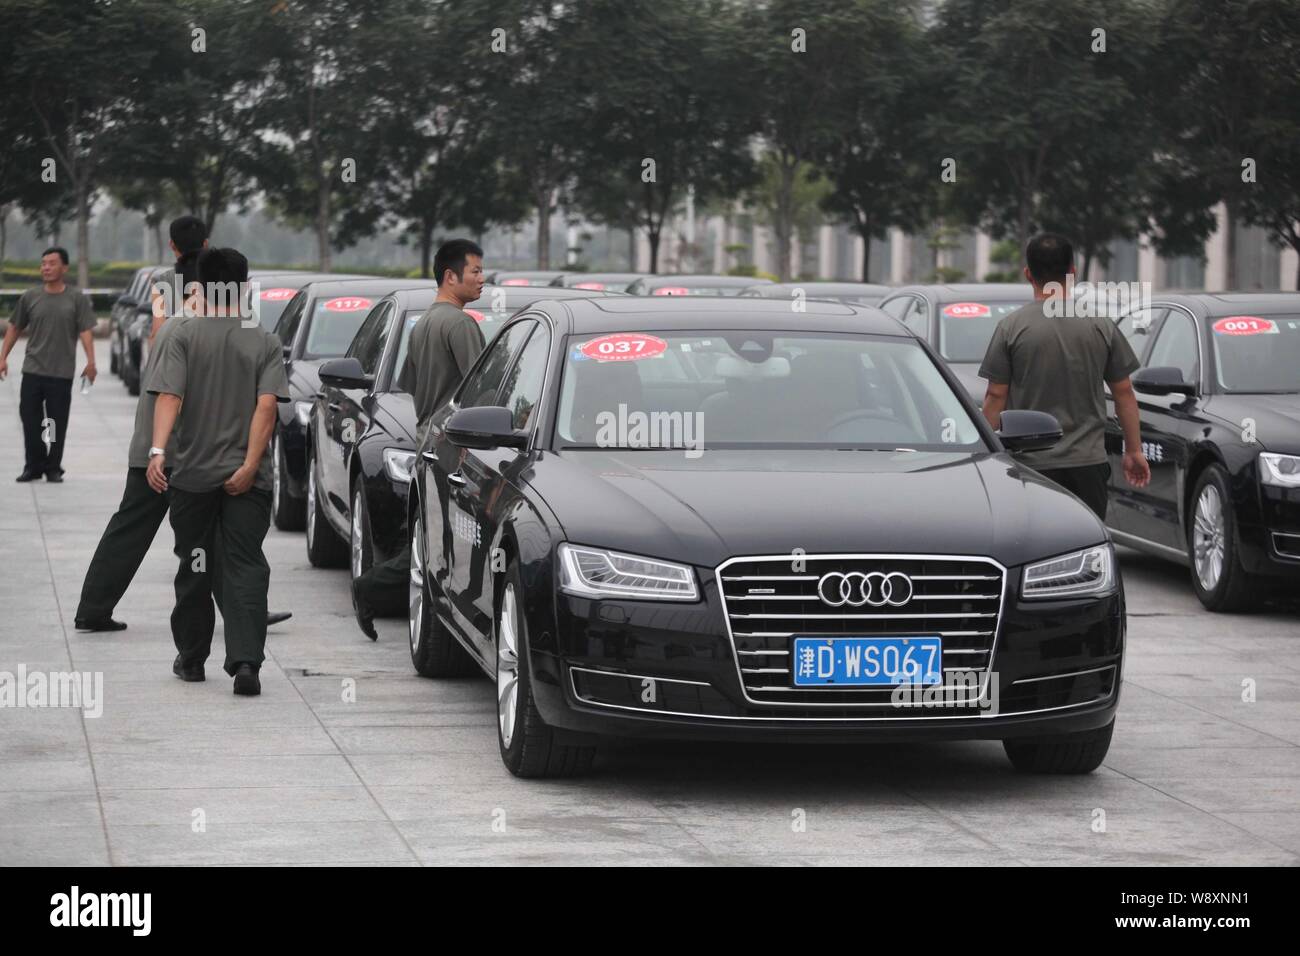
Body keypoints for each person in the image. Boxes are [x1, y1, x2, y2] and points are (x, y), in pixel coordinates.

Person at [74, 217, 292, 633]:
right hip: (196, 442)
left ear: (173, 248)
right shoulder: (217, 310)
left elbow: (156, 346)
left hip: (157, 436)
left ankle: (93, 606)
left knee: (135, 525)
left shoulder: (163, 290)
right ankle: (244, 615)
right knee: (215, 537)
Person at [147, 248, 289, 695]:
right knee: (246, 566)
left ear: (200, 286)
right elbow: (266, 407)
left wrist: (156, 452)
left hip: (190, 474)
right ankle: (246, 662)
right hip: (248, 481)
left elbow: (169, 397)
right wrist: (249, 465)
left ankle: (191, 660)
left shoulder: (182, 334)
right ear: (243, 287)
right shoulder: (263, 339)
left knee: (195, 563)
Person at [349, 238, 486, 639]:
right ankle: (373, 587)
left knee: (435, 534)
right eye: (475, 271)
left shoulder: (424, 322)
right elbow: (480, 393)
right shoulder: (460, 324)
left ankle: (375, 587)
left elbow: (410, 384)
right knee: (447, 538)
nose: (483, 280)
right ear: (450, 276)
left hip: (427, 437)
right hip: (453, 445)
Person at [978, 233, 1151, 519]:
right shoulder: (1100, 324)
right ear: (1072, 272)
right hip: (1088, 463)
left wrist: (984, 452)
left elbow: (996, 395)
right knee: (1088, 544)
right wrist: (1133, 450)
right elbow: (1123, 393)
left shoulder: (1011, 327)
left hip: (1030, 466)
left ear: (1028, 274)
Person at [0, 247, 96, 482]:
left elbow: (85, 331)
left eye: (52, 263)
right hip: (32, 370)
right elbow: (15, 328)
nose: (46, 267)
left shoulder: (76, 298)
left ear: (64, 267)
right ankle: (33, 466)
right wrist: (2, 357)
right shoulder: (30, 297)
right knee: (31, 421)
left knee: (54, 423)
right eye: (43, 263)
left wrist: (91, 361)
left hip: (60, 374)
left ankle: (53, 467)